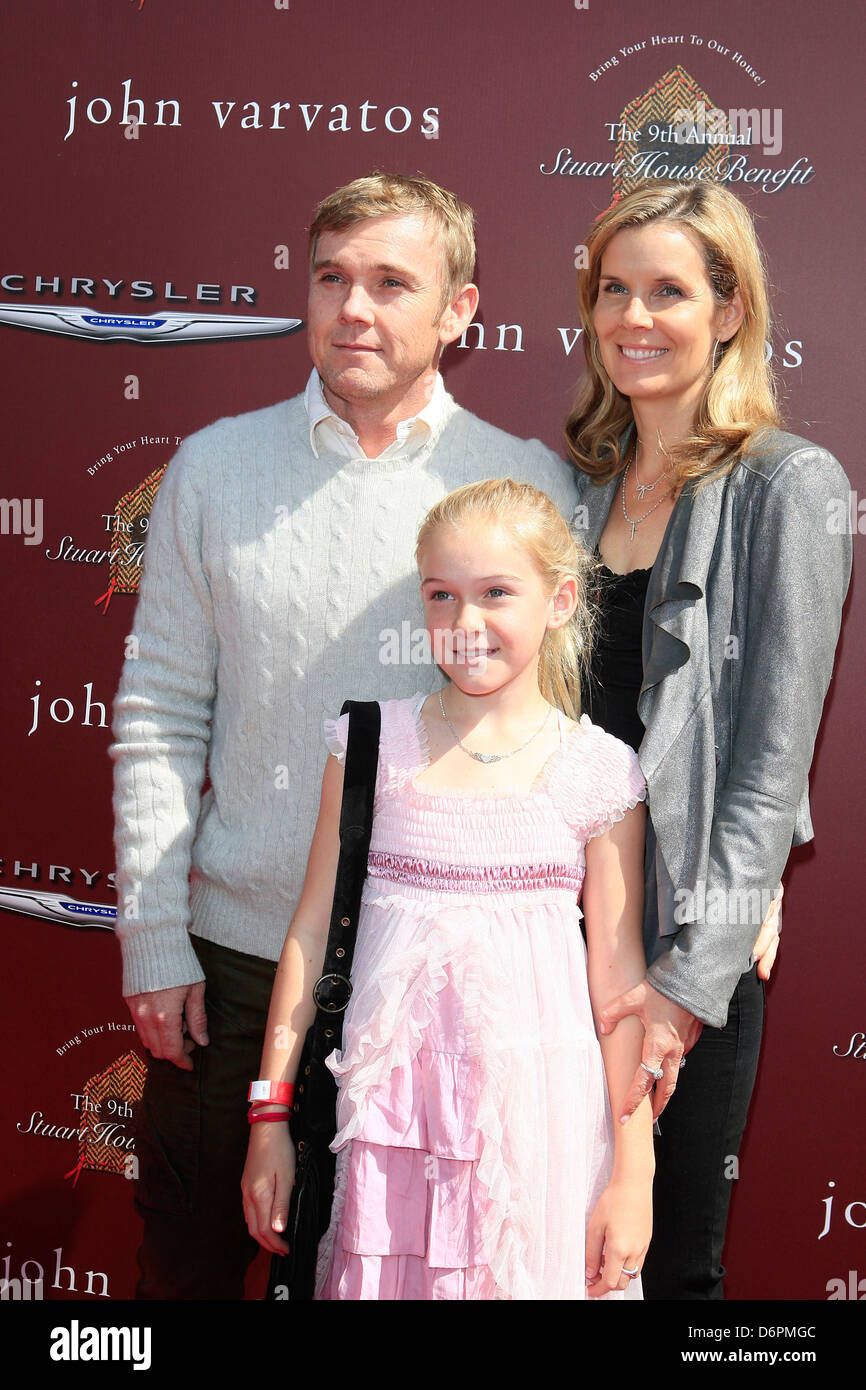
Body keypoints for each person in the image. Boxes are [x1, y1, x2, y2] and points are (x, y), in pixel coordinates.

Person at [109, 172, 579, 1300]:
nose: (353, 309)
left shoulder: (525, 483)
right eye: (330, 278)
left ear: (459, 311)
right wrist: (153, 938)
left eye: (389, 283)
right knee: (185, 1281)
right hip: (233, 965)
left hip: (433, 985)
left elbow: (555, 746)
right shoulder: (216, 467)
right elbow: (161, 712)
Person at [242, 479, 653, 1300]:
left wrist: (632, 1176)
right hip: (387, 1136)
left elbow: (619, 992)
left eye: (497, 593)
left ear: (560, 599)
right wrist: (269, 1120)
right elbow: (310, 934)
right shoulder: (370, 745)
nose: (465, 625)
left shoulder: (599, 772)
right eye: (442, 596)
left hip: (541, 1139)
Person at [564, 179, 852, 1299]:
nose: (632, 317)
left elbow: (771, 766)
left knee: (669, 1270)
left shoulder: (787, 487)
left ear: (729, 312)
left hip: (689, 945)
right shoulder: (576, 484)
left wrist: (688, 986)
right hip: (548, 935)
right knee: (550, 1245)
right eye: (612, 290)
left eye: (668, 291)